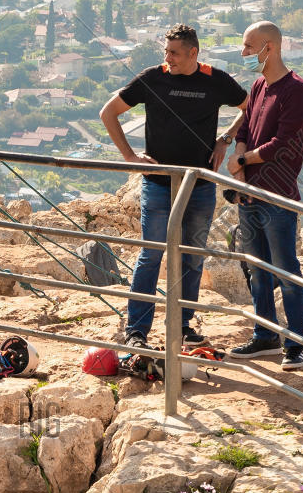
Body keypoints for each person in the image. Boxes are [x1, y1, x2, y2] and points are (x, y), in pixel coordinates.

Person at [99, 23, 247, 349]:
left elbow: (250, 107)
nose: (168, 58)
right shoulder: (154, 77)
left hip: (200, 184)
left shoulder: (215, 80)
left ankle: (182, 326)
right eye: (165, 51)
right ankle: (136, 331)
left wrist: (226, 139)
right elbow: (108, 112)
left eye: (175, 53)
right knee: (151, 254)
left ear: (194, 52)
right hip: (158, 183)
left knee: (192, 257)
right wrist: (129, 156)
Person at [223, 20, 303, 370]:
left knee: (286, 268)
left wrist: (241, 159)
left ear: (269, 48)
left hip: (277, 195)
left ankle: (298, 342)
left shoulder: (296, 90)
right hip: (250, 192)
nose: (244, 53)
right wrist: (241, 172)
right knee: (256, 268)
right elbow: (245, 128)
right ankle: (265, 334)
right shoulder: (259, 84)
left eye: (249, 47)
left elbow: (282, 144)